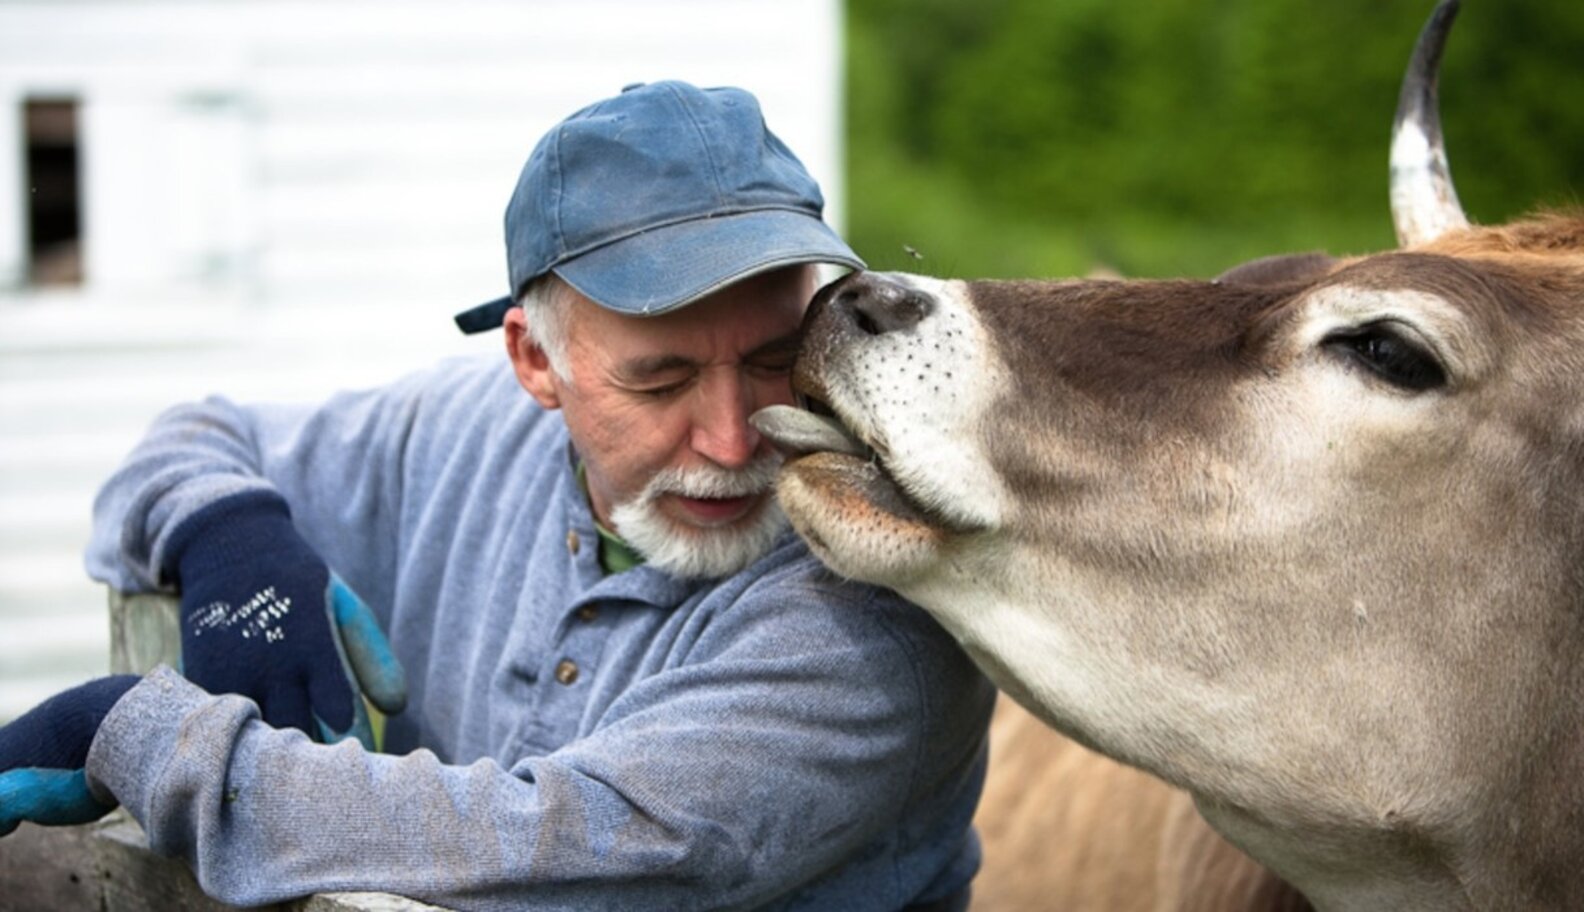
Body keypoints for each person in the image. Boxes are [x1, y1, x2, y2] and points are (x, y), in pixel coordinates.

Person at [0, 80, 995, 910]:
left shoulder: (882, 606)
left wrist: (144, 744)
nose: (734, 437)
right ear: (534, 360)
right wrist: (231, 535)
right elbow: (198, 438)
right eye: (658, 379)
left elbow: (582, 841)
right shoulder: (461, 433)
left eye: (777, 359)